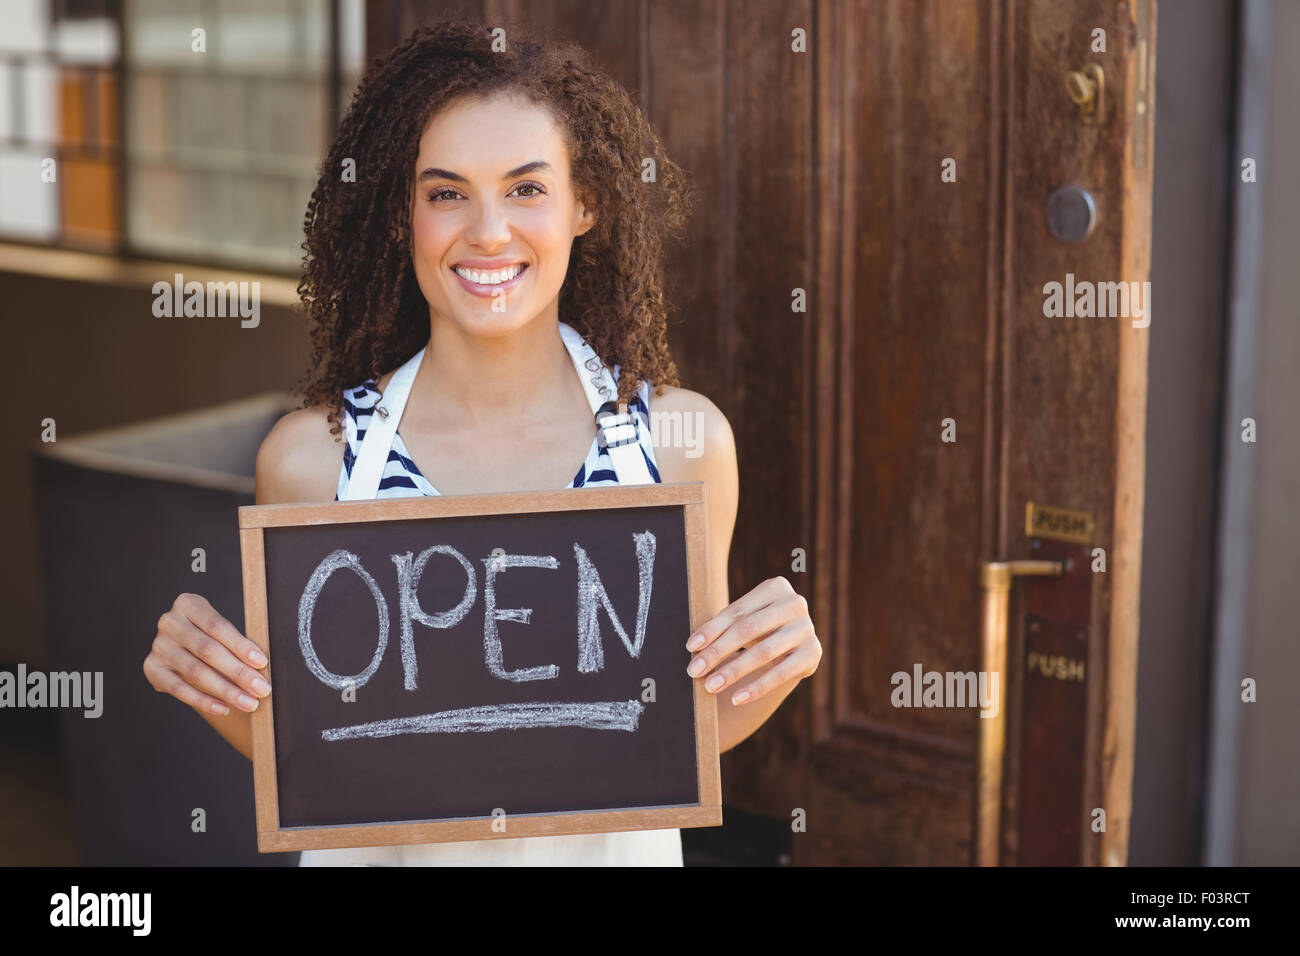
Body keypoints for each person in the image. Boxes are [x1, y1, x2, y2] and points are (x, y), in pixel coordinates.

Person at [142, 20, 821, 865]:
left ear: (587, 204)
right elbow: (316, 749)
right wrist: (209, 684)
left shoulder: (681, 444)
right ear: (405, 216)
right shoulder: (314, 459)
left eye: (527, 189)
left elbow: (682, 729)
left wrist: (778, 664)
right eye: (447, 192)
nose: (489, 231)